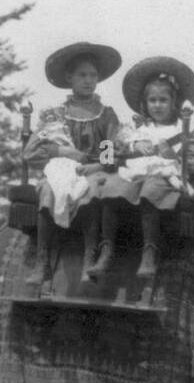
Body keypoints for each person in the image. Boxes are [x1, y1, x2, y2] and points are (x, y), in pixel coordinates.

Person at [23, 41, 136, 291]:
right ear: (69, 77)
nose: (88, 80)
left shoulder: (106, 115)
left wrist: (96, 166)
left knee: (94, 190)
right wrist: (64, 151)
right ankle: (42, 261)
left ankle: (89, 257)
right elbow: (33, 151)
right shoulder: (56, 115)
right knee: (46, 188)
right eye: (82, 75)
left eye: (93, 75)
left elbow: (110, 151)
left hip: (94, 171)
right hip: (62, 169)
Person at [115, 56, 194, 281]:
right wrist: (135, 144)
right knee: (113, 187)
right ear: (145, 104)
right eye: (152, 100)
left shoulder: (183, 130)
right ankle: (105, 250)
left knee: (152, 187)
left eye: (163, 100)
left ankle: (150, 251)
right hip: (136, 175)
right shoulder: (136, 129)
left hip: (168, 179)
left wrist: (173, 154)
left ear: (174, 103)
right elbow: (112, 152)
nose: (157, 105)